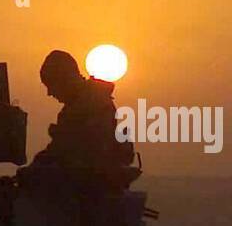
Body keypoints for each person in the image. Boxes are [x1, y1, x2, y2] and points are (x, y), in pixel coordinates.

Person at [15, 50, 139, 198]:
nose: (49, 93)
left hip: (92, 192)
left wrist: (33, 172)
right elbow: (59, 150)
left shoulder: (91, 105)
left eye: (51, 85)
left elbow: (73, 154)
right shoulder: (82, 105)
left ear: (64, 80)